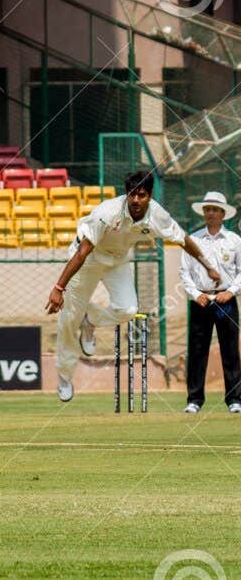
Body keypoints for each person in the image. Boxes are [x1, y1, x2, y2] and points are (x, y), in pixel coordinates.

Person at [46, 170, 222, 403]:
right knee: (68, 319)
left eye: (142, 195)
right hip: (88, 259)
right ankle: (65, 376)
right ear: (126, 194)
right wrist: (59, 288)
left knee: (127, 310)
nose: (136, 200)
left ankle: (90, 321)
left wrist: (208, 265)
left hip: (116, 260)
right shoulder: (107, 213)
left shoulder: (157, 214)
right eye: (132, 195)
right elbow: (82, 252)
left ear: (149, 196)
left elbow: (183, 239)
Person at [180, 191, 241, 414]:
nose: (211, 213)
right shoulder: (193, 240)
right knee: (197, 351)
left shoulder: (235, 240)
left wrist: (232, 291)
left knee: (231, 350)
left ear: (223, 214)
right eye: (207, 209)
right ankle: (194, 400)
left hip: (226, 299)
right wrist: (196, 294)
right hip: (201, 300)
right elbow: (184, 272)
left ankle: (234, 399)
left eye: (215, 209)